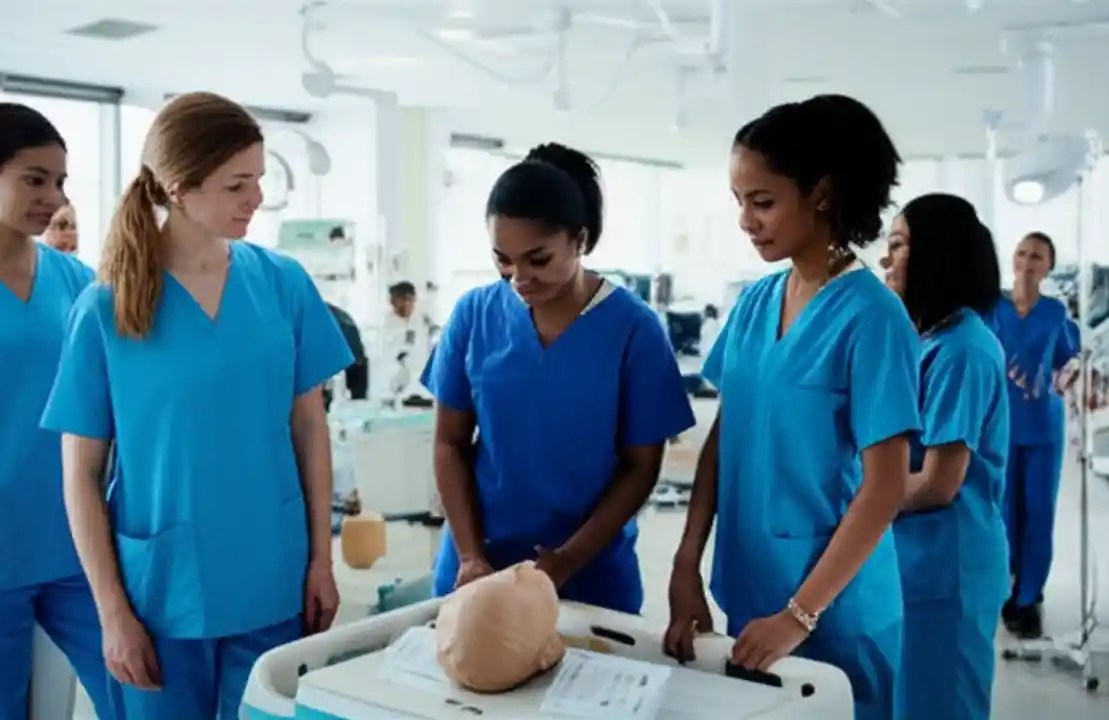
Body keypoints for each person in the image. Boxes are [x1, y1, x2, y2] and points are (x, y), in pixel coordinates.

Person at [40, 92, 353, 719]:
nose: (256, 199)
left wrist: (322, 558)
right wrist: (111, 612)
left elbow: (310, 429)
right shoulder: (106, 308)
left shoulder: (282, 282)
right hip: (160, 590)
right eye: (238, 184)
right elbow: (79, 473)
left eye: (260, 180)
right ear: (180, 188)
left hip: (273, 575)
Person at [663, 95, 920, 720]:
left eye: (763, 202)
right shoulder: (755, 303)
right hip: (750, 591)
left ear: (822, 195)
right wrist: (686, 559)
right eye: (739, 202)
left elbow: (885, 488)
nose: (747, 221)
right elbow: (726, 437)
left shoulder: (872, 318)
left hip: (835, 610)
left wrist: (799, 615)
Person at [424, 142, 695, 613]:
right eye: (502, 259)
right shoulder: (474, 314)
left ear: (580, 240)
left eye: (538, 259)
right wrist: (470, 555)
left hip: (589, 572)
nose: (518, 277)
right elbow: (449, 442)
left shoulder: (634, 330)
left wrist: (569, 559)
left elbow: (641, 466)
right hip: (477, 565)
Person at [0, 103, 116, 720]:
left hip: (76, 541)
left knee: (133, 690)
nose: (53, 196)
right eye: (34, 178)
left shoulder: (78, 282)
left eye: (61, 181)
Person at [889, 194, 1009, 720]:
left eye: (896, 246)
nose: (885, 260)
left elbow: (939, 483)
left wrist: (860, 504)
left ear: (934, 255)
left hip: (947, 567)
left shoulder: (962, 350)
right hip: (912, 562)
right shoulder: (924, 338)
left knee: (940, 705)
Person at [992, 230, 1080, 639]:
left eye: (1038, 257)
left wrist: (1072, 373)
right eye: (1022, 253)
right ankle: (1003, 586)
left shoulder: (1055, 313)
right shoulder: (991, 308)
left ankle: (1028, 598)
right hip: (998, 427)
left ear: (1048, 267)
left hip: (1043, 426)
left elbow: (1068, 359)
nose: (1027, 262)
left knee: (1038, 513)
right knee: (1002, 512)